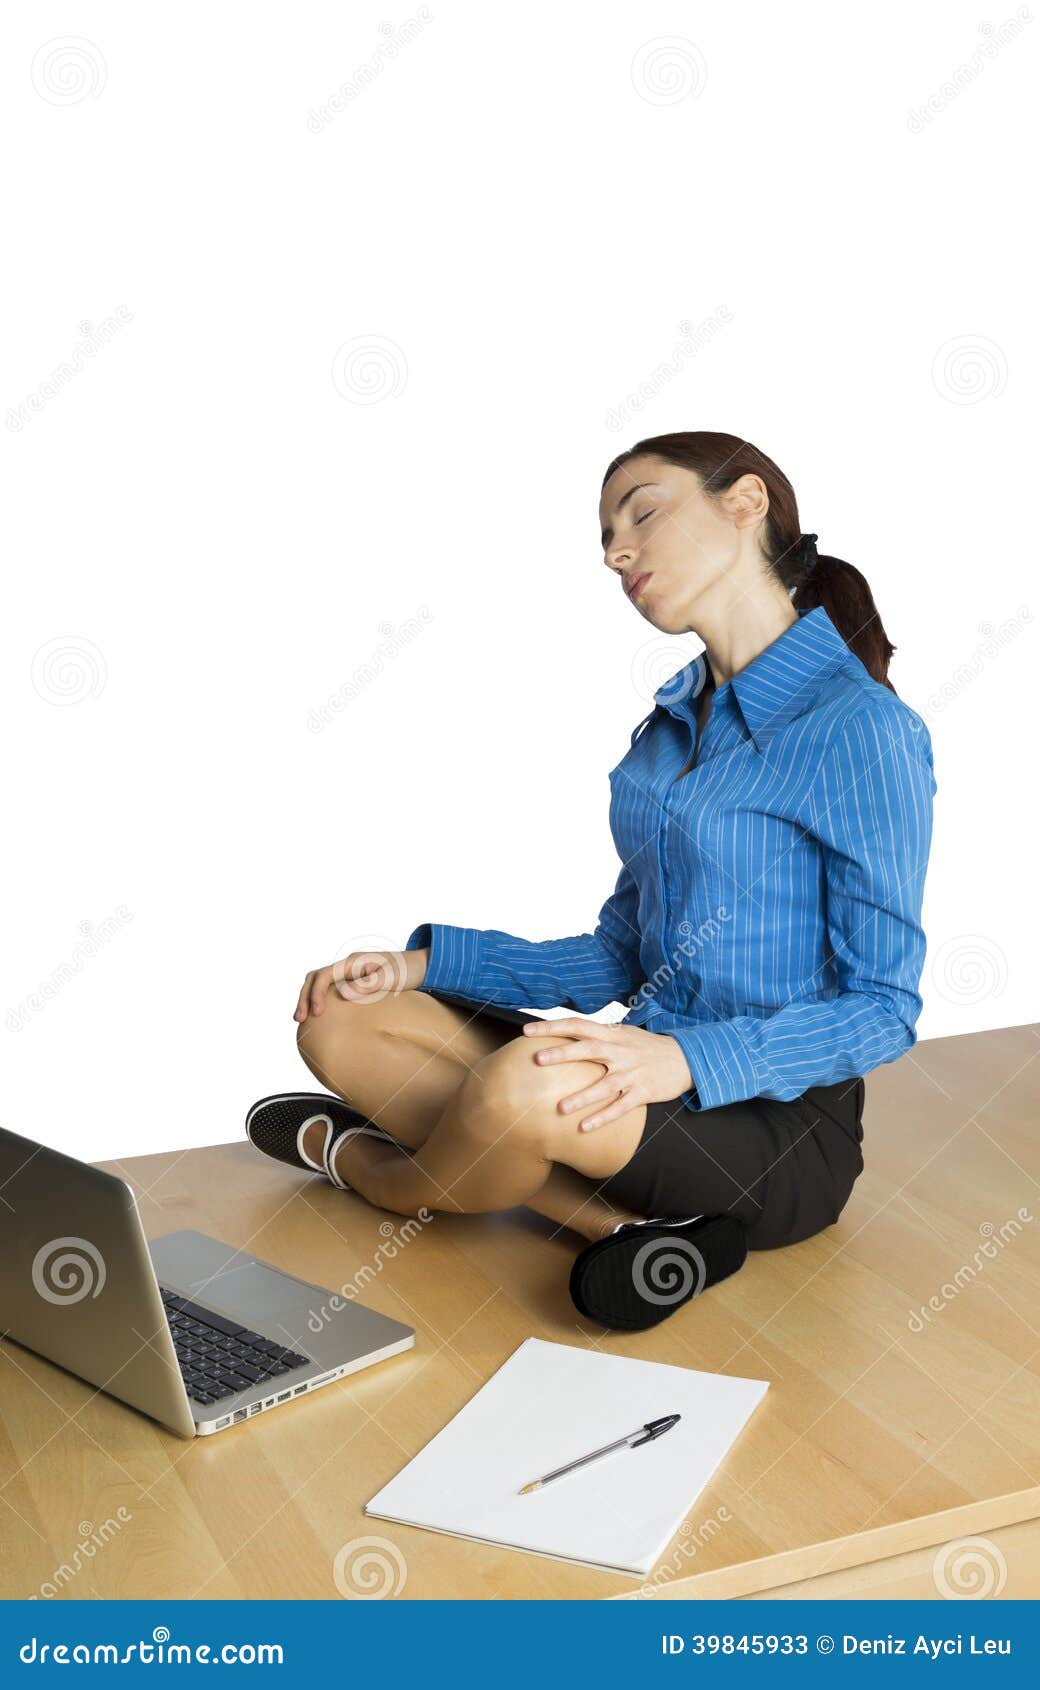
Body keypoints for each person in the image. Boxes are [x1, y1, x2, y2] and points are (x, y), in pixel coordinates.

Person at [246, 430, 936, 1330]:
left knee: (522, 1084)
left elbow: (885, 1008)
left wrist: (686, 1059)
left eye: (642, 515)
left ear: (746, 503)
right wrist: (422, 966)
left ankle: (370, 1171)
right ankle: (626, 1227)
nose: (617, 552)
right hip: (631, 1082)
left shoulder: (860, 727)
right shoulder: (670, 728)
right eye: (608, 537)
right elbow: (618, 955)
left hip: (778, 1130)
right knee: (341, 1021)